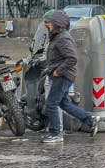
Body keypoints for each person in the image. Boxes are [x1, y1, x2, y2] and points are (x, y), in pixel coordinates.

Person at [41, 10, 100, 143]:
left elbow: (72, 58)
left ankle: (55, 134)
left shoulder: (62, 37)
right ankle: (90, 120)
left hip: (62, 76)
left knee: (51, 103)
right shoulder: (58, 36)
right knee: (64, 104)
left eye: (48, 23)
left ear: (56, 23)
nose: (46, 25)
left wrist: (58, 71)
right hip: (63, 75)